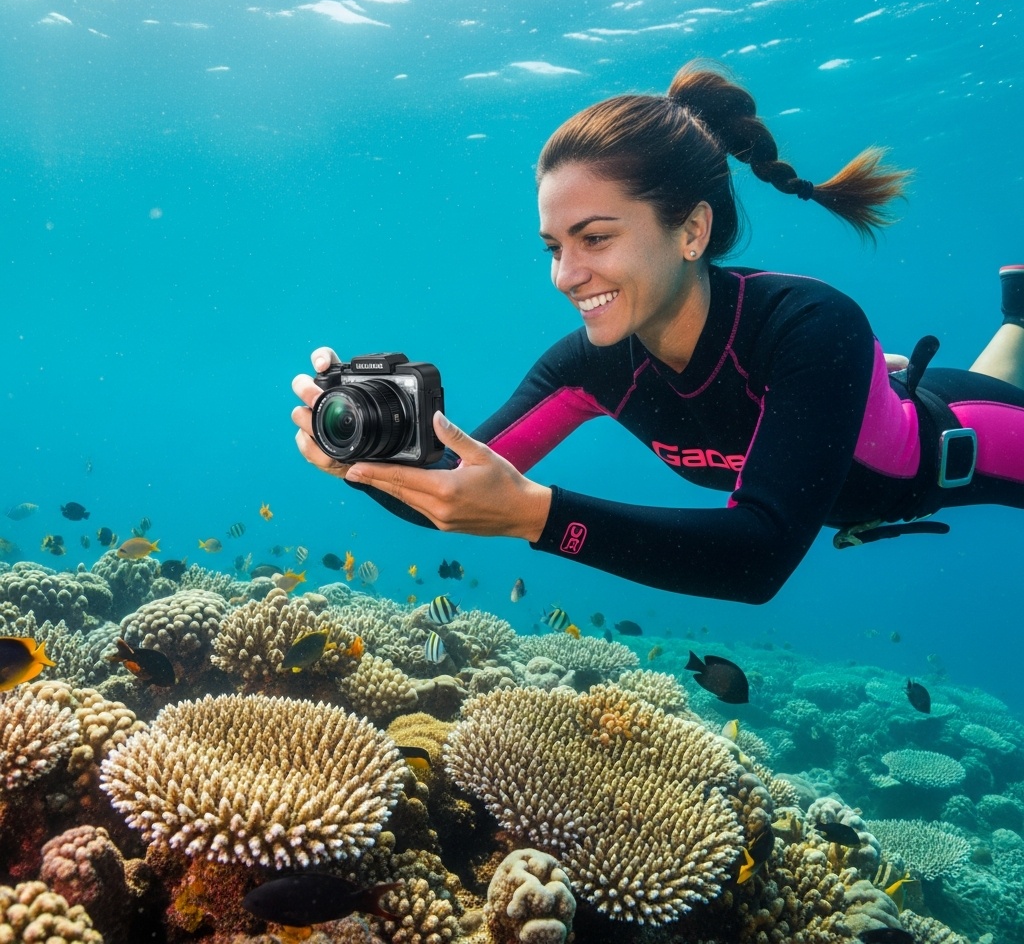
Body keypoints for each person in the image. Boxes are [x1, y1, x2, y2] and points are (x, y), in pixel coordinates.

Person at [292, 61, 1024, 605]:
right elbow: (454, 487)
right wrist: (361, 446)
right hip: (852, 425)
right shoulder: (590, 365)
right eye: (553, 247)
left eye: (595, 238)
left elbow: (757, 560)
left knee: (992, 394)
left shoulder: (809, 325)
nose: (566, 276)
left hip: (963, 447)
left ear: (692, 231)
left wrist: (536, 516)